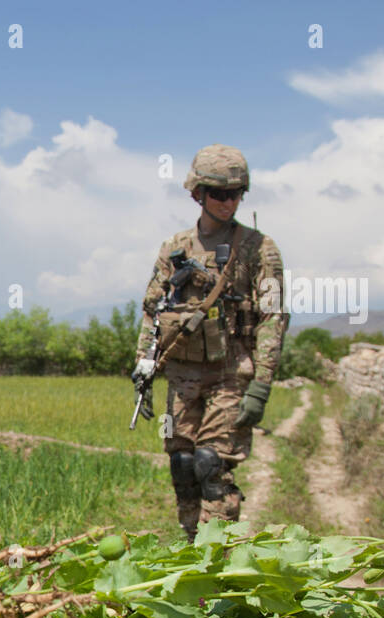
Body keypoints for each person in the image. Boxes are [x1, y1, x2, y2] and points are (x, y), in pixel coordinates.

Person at [132, 144, 289, 541]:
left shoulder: (258, 248)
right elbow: (152, 309)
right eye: (219, 193)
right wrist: (144, 365)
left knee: (211, 464)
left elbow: (273, 317)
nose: (228, 202)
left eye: (236, 193)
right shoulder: (175, 248)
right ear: (197, 194)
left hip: (231, 373)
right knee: (182, 465)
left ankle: (215, 552)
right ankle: (190, 545)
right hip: (183, 372)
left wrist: (262, 385)